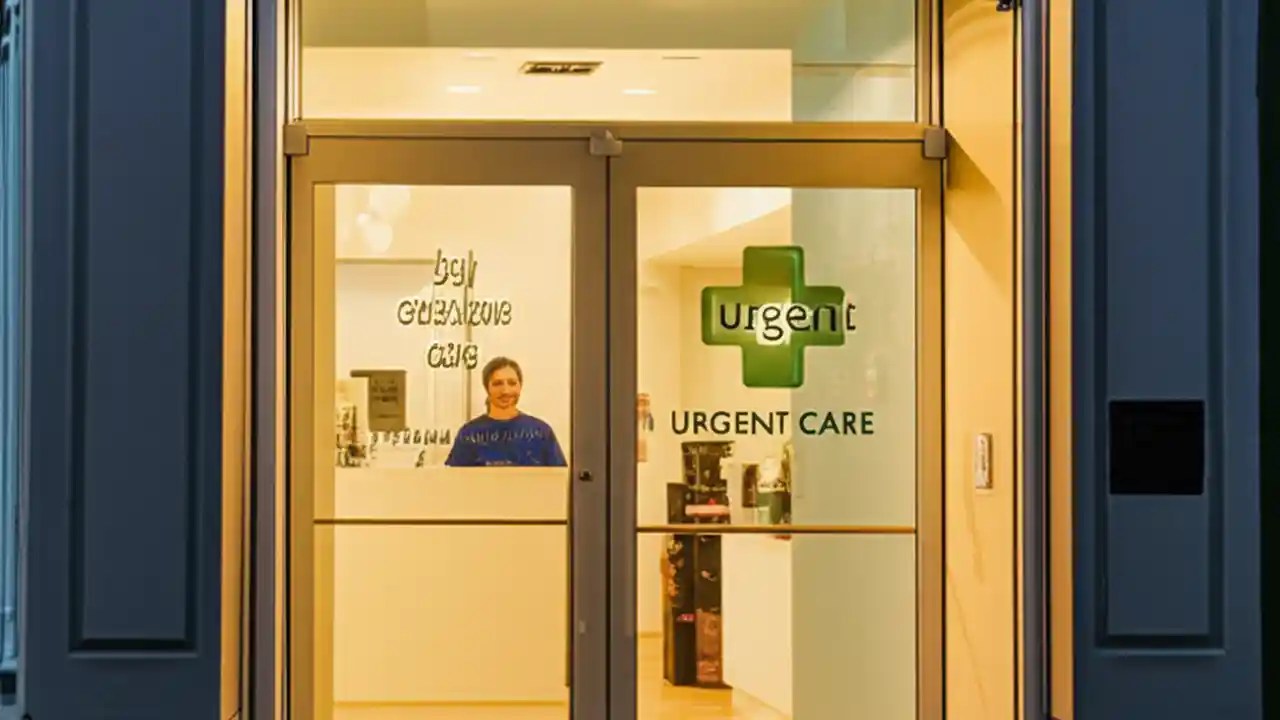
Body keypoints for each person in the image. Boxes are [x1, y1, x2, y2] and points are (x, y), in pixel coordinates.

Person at [444, 356, 567, 467]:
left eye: (512, 383)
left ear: (520, 386)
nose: (505, 391)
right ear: (487, 388)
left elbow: (560, 479)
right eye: (497, 384)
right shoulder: (469, 434)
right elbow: (455, 482)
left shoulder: (542, 432)